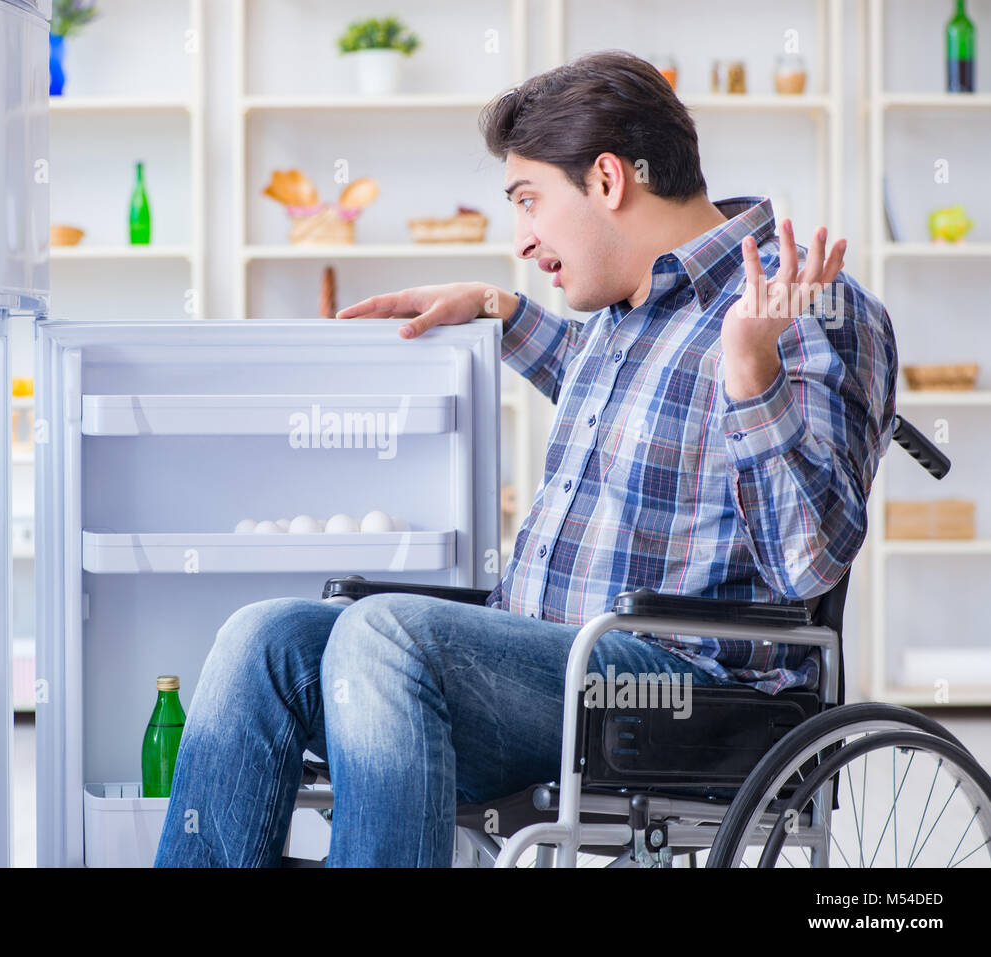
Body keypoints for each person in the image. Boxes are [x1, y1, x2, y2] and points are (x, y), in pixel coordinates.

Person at [154, 49, 898, 868]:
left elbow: (809, 562)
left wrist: (752, 371)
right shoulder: (628, 311)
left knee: (383, 633)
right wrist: (496, 309)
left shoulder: (809, 307)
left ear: (609, 180)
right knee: (262, 636)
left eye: (527, 201)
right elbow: (632, 399)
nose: (523, 241)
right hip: (541, 679)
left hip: (678, 696)